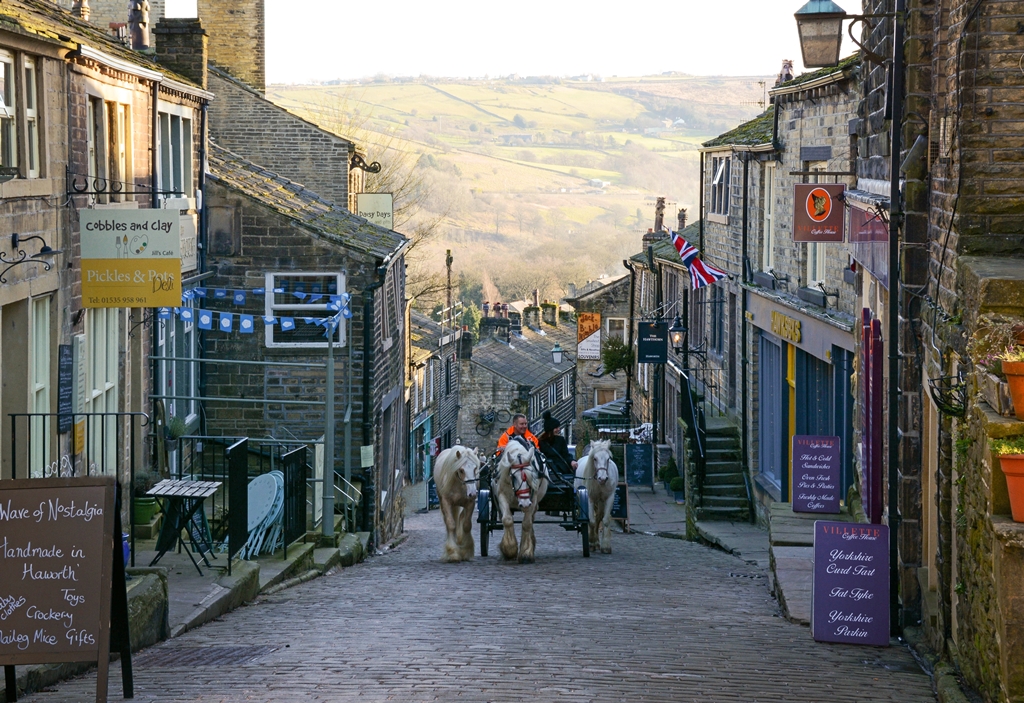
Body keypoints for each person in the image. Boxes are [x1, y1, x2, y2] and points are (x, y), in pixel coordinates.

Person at [538, 411, 577, 476]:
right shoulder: (540, 442)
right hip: (547, 470)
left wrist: (571, 461)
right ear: (550, 429)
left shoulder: (561, 440)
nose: (558, 429)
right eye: (556, 428)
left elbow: (566, 455)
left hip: (561, 469)